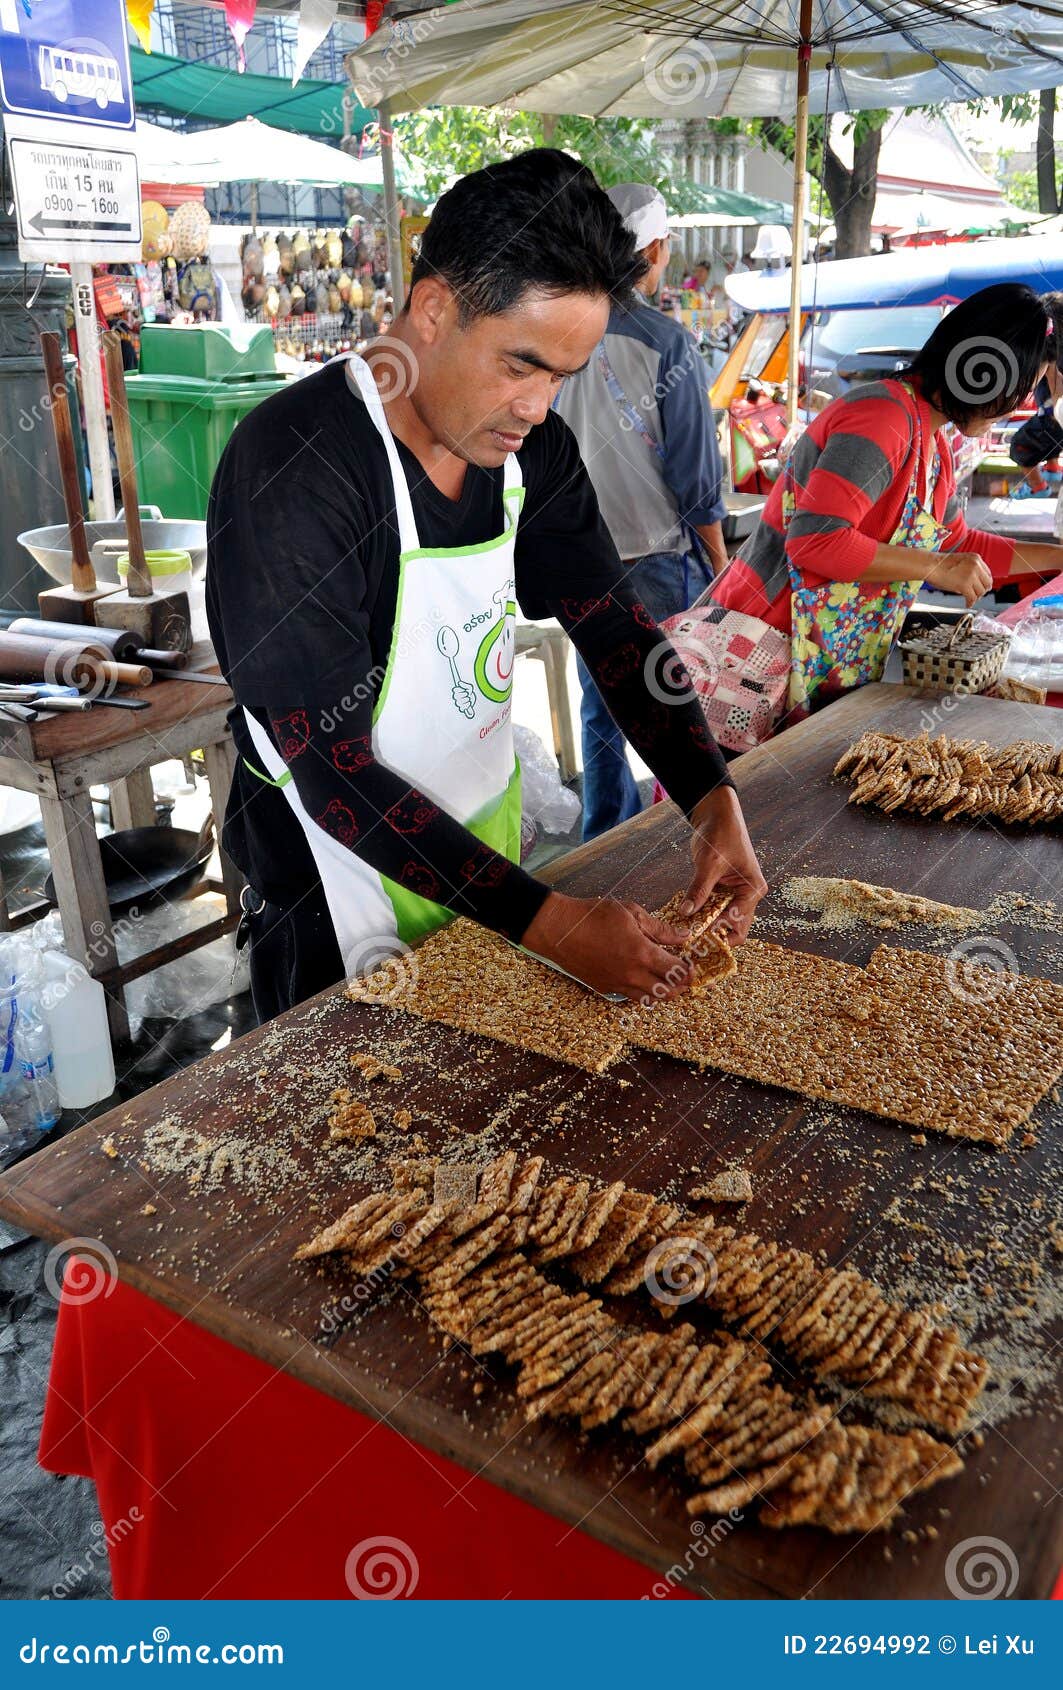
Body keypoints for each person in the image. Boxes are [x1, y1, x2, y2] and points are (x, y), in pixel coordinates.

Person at [206, 150, 766, 1022]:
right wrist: (549, 925)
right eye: (520, 365)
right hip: (336, 905)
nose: (538, 406)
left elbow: (616, 635)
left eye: (561, 378)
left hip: (487, 879)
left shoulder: (528, 453)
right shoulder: (298, 466)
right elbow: (334, 770)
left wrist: (709, 795)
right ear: (432, 310)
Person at [711, 282, 1063, 720]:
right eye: (1022, 389)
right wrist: (937, 568)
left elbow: (957, 547)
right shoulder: (884, 416)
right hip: (757, 655)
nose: (1020, 406)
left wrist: (1056, 557)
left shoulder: (933, 441)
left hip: (821, 668)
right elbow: (815, 542)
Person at [555, 182, 729, 840]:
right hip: (659, 555)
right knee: (683, 706)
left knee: (601, 709)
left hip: (582, 556)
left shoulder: (556, 331)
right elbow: (694, 476)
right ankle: (691, 835)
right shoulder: (665, 342)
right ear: (653, 250)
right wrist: (716, 558)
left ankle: (602, 836)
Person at [1010, 360, 1063, 498]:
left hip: (1054, 416)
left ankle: (1038, 486)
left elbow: (1054, 378)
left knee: (1019, 445)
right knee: (1047, 438)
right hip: (1052, 415)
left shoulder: (1049, 349)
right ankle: (1053, 468)